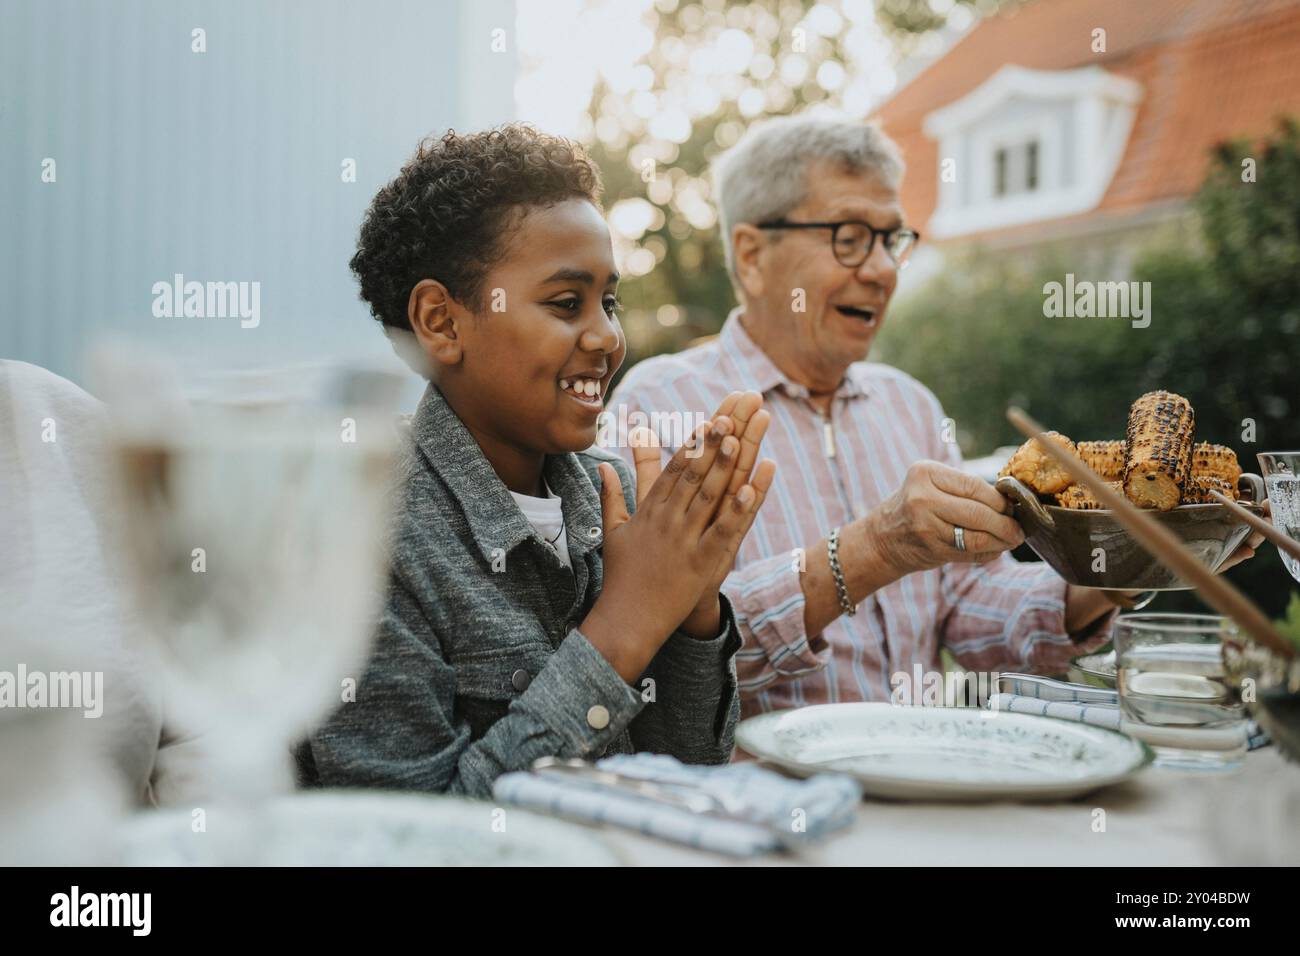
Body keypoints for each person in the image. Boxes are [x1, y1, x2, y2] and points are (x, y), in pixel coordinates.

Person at [608, 113, 1260, 714]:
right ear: (752, 256)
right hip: (761, 811)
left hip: (923, 795)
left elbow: (972, 611)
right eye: (850, 238)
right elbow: (652, 658)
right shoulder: (656, 409)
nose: (884, 270)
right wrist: (869, 551)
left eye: (892, 239)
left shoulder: (909, 405)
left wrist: (1120, 569)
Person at [303, 125, 776, 797]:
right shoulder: (366, 540)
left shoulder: (616, 497)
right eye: (565, 303)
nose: (609, 335)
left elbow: (687, 772)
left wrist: (692, 602)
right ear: (441, 322)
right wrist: (625, 626)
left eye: (609, 301)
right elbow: (414, 835)